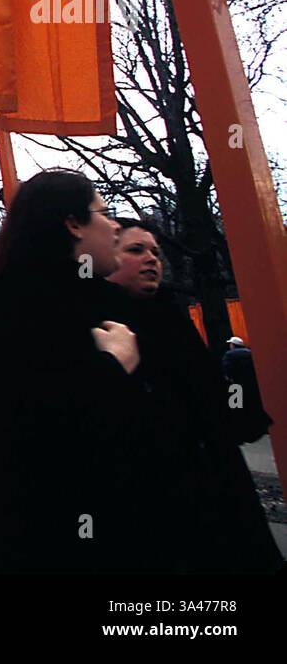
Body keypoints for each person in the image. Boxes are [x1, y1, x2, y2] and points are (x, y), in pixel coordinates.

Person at [0, 169, 146, 574]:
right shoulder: (37, 309)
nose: (114, 226)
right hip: (51, 545)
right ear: (73, 224)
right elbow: (48, 432)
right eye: (103, 213)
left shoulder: (42, 299)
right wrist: (114, 366)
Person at [107, 219, 281, 573]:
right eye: (136, 250)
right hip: (157, 507)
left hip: (220, 491)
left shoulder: (170, 316)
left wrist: (242, 409)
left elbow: (212, 400)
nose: (152, 259)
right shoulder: (97, 325)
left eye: (155, 251)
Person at [221, 338, 273, 444]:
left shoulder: (229, 355)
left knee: (236, 408)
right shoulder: (250, 353)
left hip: (236, 387)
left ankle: (240, 433)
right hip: (252, 385)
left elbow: (227, 370)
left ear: (233, 345)